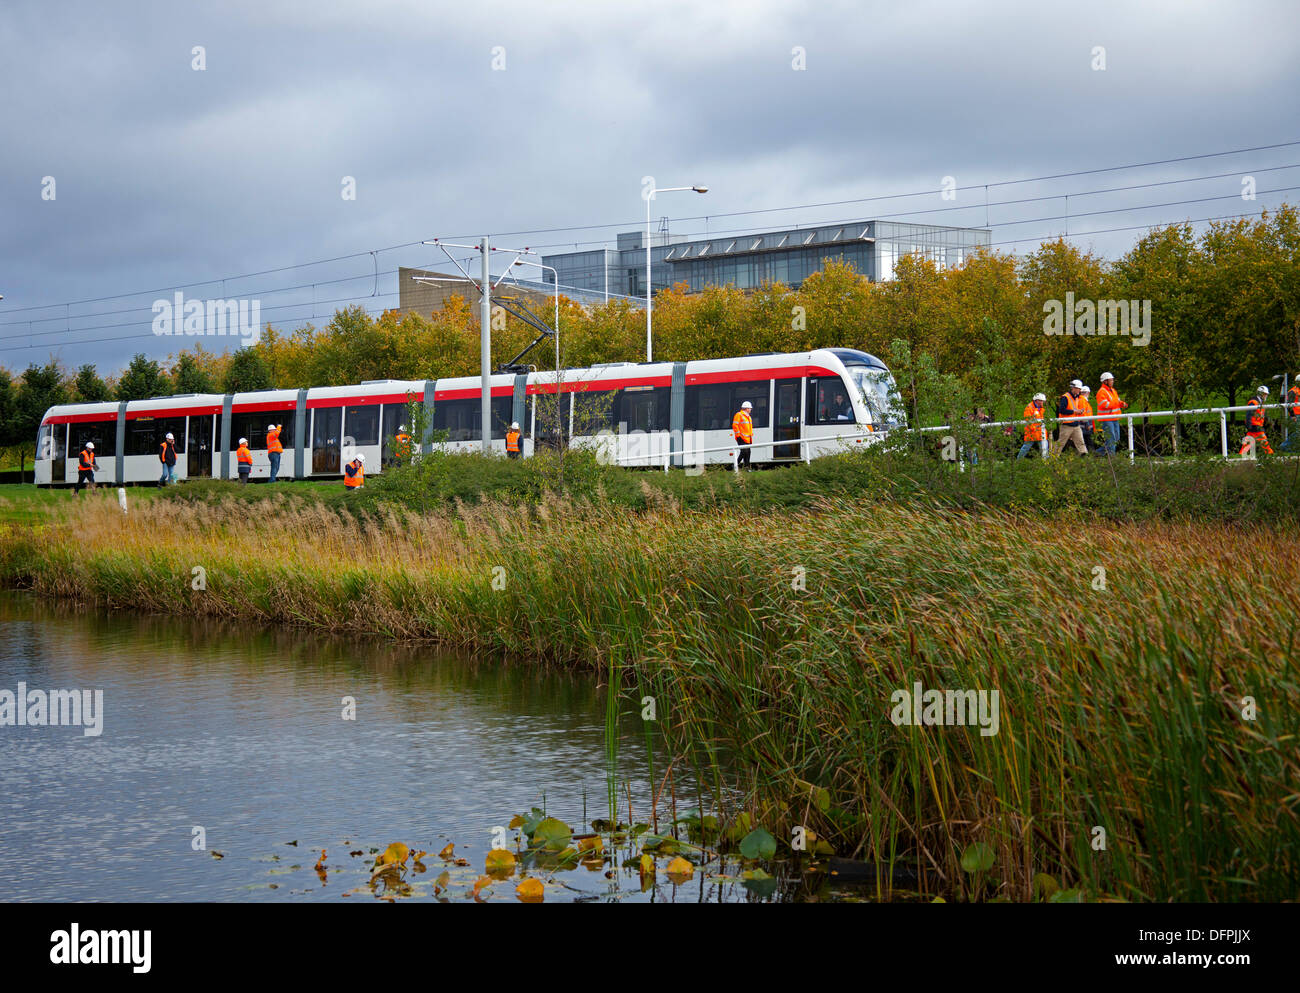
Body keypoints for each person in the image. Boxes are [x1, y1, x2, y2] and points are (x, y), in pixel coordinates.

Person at [1095, 372, 1128, 456]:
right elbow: (1105, 405)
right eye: (1111, 380)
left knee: (1116, 439)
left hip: (1114, 418)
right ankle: (1112, 459)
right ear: (1105, 381)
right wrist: (1117, 403)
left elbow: (1117, 401)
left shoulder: (1113, 390)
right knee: (1111, 439)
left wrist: (1122, 404)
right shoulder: (1101, 392)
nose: (1112, 381)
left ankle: (1096, 454)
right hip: (1106, 419)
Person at [1051, 380, 1088, 456]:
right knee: (1061, 443)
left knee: (1081, 442)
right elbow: (1062, 410)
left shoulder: (1076, 397)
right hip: (1066, 425)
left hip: (1075, 425)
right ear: (1073, 388)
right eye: (1078, 388)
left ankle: (1085, 457)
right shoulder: (1065, 397)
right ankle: (1053, 458)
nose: (1079, 390)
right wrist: (1075, 411)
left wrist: (1078, 412)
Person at [1239, 386, 1274, 456]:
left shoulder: (1259, 402)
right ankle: (1270, 453)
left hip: (1256, 425)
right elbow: (1249, 413)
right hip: (1255, 425)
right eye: (1265, 394)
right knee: (1263, 440)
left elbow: (1263, 414)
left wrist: (1269, 421)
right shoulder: (1254, 402)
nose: (1266, 396)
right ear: (1260, 394)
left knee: (1248, 441)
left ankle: (1241, 453)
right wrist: (1249, 424)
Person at [1017, 394, 1047, 458]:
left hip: (1040, 432)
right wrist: (1035, 429)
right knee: (1025, 448)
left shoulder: (1040, 408)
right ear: (1037, 401)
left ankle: (1046, 463)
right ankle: (1018, 462)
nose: (1043, 402)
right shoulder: (1029, 408)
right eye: (1041, 401)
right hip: (1032, 432)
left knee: (1044, 448)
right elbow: (1028, 420)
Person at [732, 400, 754, 469]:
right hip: (741, 438)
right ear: (746, 408)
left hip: (748, 438)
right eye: (750, 408)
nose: (750, 409)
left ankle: (747, 468)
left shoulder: (748, 417)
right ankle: (735, 465)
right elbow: (735, 425)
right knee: (744, 452)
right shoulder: (739, 415)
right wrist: (738, 436)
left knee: (748, 453)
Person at [1077, 385, 1096, 453]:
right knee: (1088, 443)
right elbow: (1083, 414)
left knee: (1087, 442)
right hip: (1085, 426)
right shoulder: (1082, 401)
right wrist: (1088, 424)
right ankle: (1091, 456)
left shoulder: (1083, 401)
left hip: (1085, 425)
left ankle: (1089, 456)